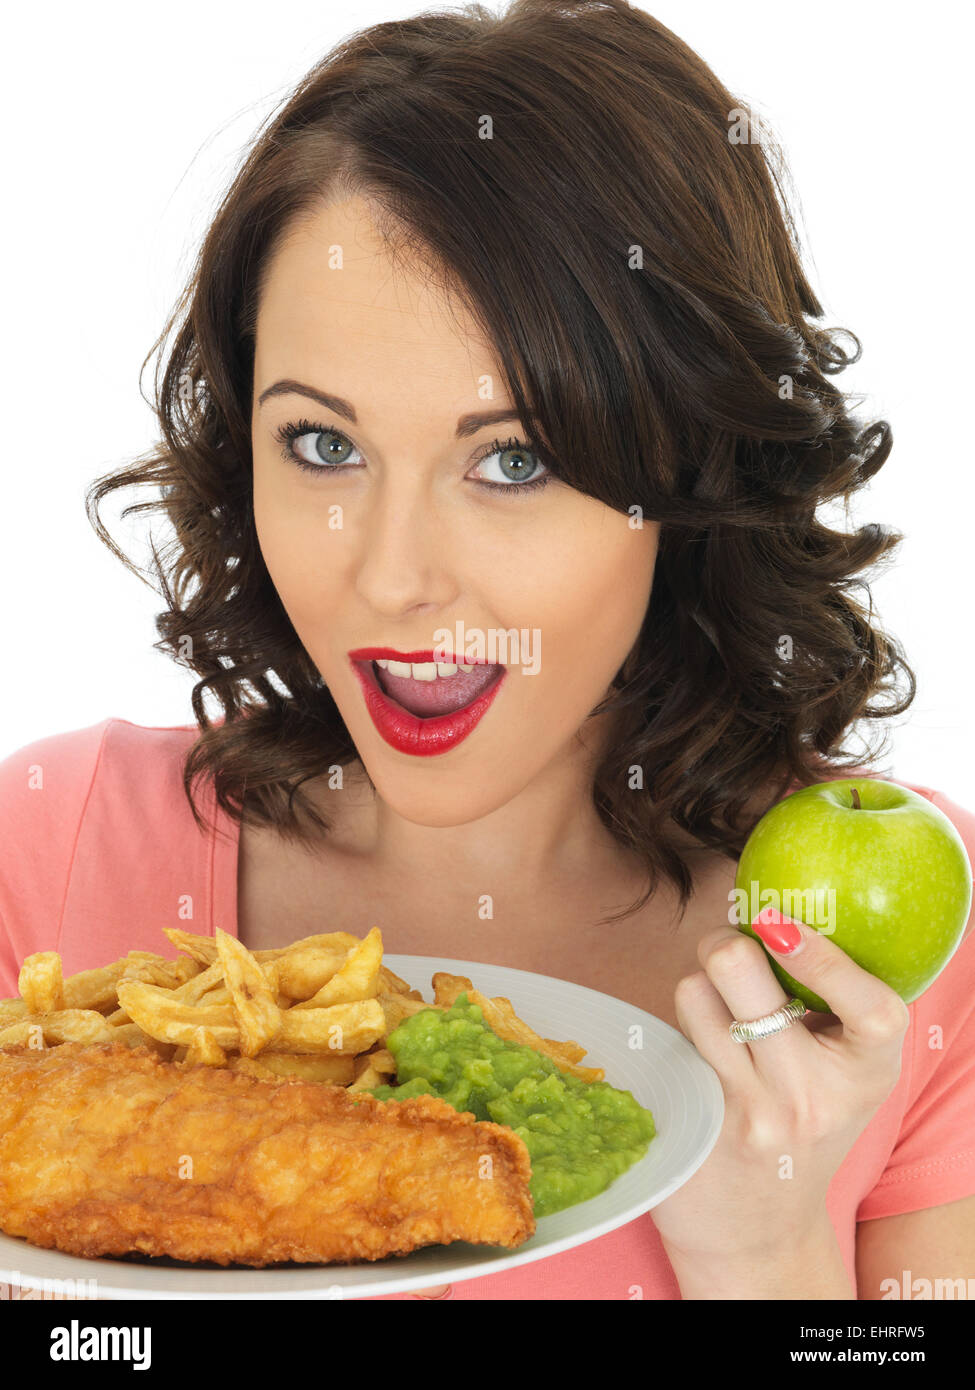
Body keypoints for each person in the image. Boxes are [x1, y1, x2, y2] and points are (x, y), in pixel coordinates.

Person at [2, 0, 973, 1301]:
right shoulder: (52, 862)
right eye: (323, 444)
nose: (394, 576)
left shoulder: (892, 964)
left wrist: (768, 1254)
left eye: (511, 459)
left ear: (683, 473)